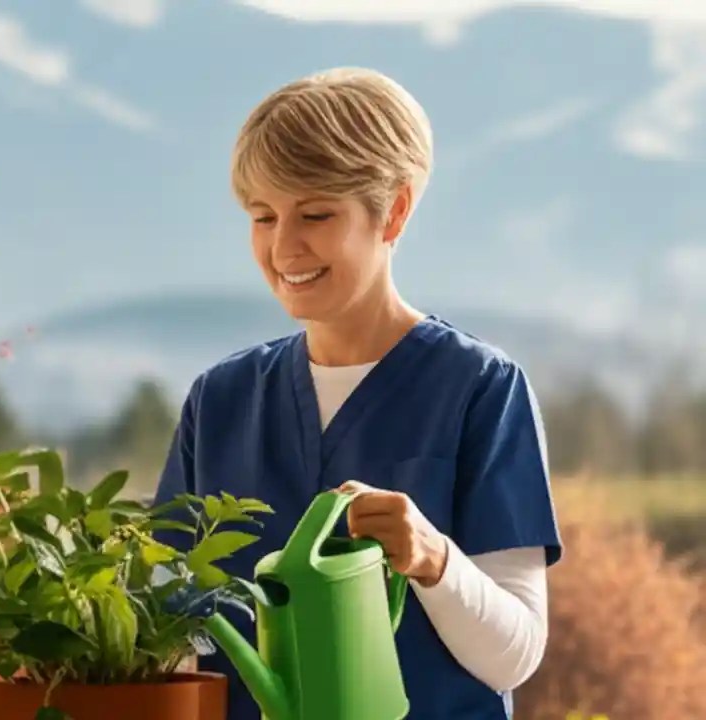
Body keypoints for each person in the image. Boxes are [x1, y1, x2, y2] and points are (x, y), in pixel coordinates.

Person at [152, 67, 563, 720]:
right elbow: (163, 636)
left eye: (315, 213)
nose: (284, 245)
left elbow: (513, 656)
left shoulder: (480, 390)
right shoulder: (221, 401)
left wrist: (431, 558)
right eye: (262, 216)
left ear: (393, 210)